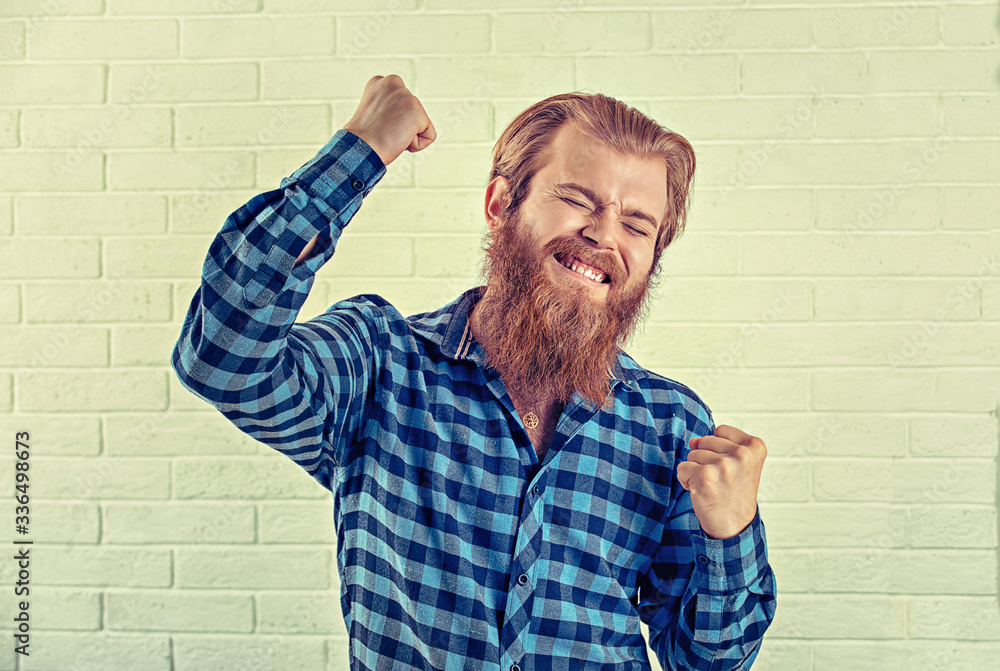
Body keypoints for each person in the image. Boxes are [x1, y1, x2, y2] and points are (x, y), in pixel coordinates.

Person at [172, 74, 776, 670]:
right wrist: (359, 151)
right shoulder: (383, 363)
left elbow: (707, 662)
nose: (603, 234)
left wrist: (733, 533)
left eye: (637, 225)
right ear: (499, 206)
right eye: (575, 199)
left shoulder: (672, 425)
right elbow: (222, 361)